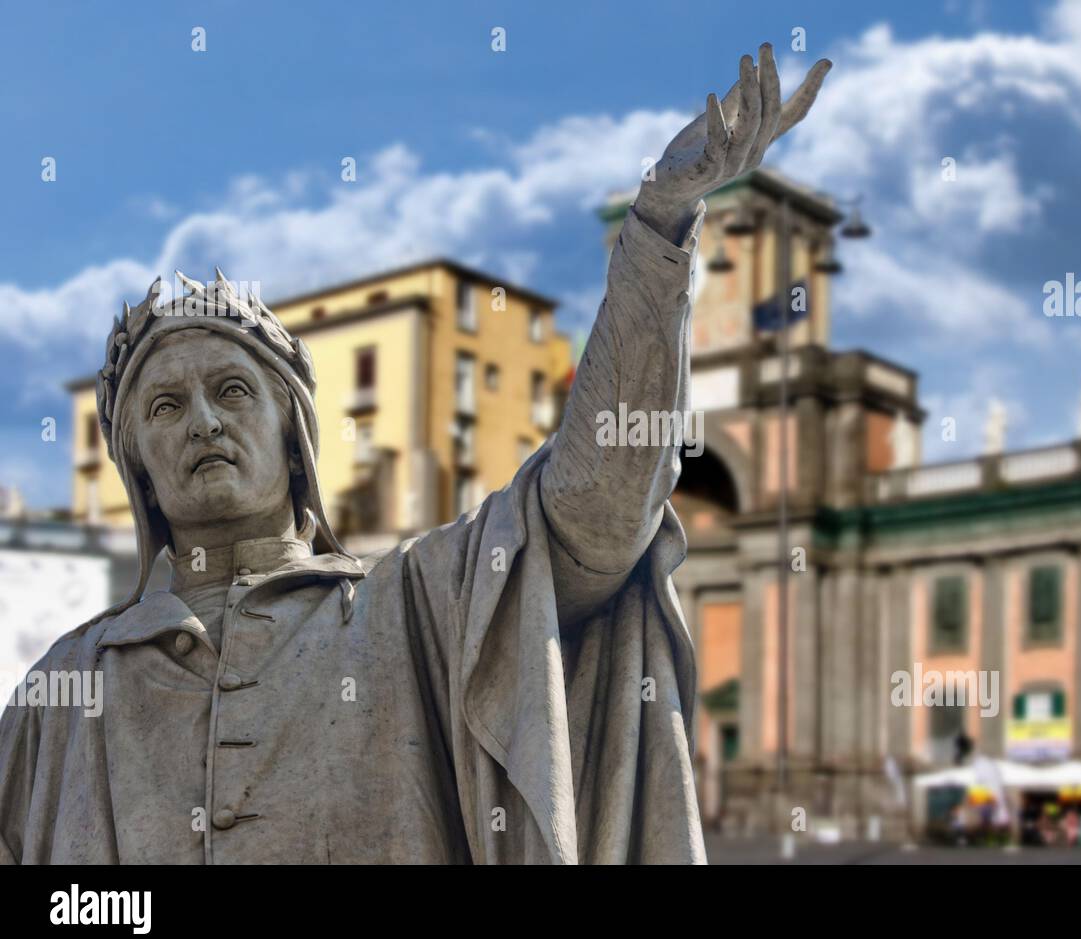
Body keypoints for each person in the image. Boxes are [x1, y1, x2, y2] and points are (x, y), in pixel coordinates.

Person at [0, 47, 831, 864]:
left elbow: (598, 507)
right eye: (166, 406)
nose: (204, 423)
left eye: (234, 389)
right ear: (136, 461)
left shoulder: (417, 603)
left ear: (296, 435)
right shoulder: (59, 695)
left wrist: (656, 227)